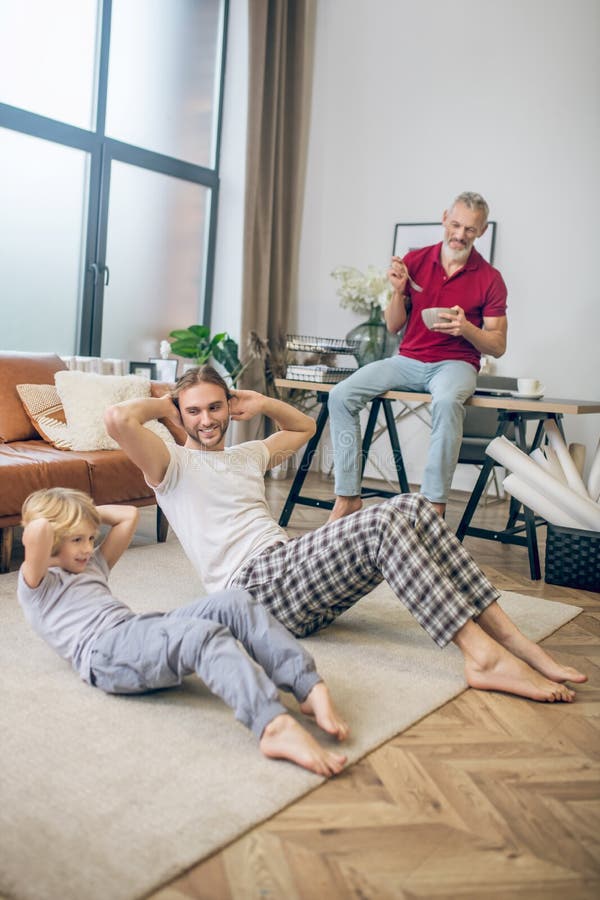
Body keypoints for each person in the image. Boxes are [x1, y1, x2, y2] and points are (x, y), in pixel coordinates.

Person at [104, 367, 586, 705]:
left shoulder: (247, 453)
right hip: (252, 592)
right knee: (382, 523)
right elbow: (118, 420)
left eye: (215, 407)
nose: (206, 420)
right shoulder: (172, 466)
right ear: (180, 415)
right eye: (193, 412)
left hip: (289, 571)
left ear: (230, 407)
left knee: (414, 506)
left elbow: (306, 425)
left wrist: (264, 402)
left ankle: (513, 641)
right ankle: (481, 657)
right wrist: (167, 403)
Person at [17, 487, 349, 776]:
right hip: (104, 653)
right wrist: (65, 521)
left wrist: (85, 516)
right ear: (55, 539)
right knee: (202, 636)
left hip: (137, 628)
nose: (88, 548)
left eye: (90, 538)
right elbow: (38, 530)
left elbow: (129, 516)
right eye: (77, 540)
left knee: (232, 601)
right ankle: (272, 724)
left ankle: (305, 685)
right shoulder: (38, 586)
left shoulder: (92, 566)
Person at [328, 191, 508, 521]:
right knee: (341, 396)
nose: (459, 235)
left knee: (446, 403)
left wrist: (465, 328)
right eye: (455, 224)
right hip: (408, 360)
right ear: (444, 218)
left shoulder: (490, 279)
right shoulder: (414, 262)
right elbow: (394, 325)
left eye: (470, 229)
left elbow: (497, 344)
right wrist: (398, 291)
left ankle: (433, 507)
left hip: (455, 365)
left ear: (481, 231)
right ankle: (348, 496)